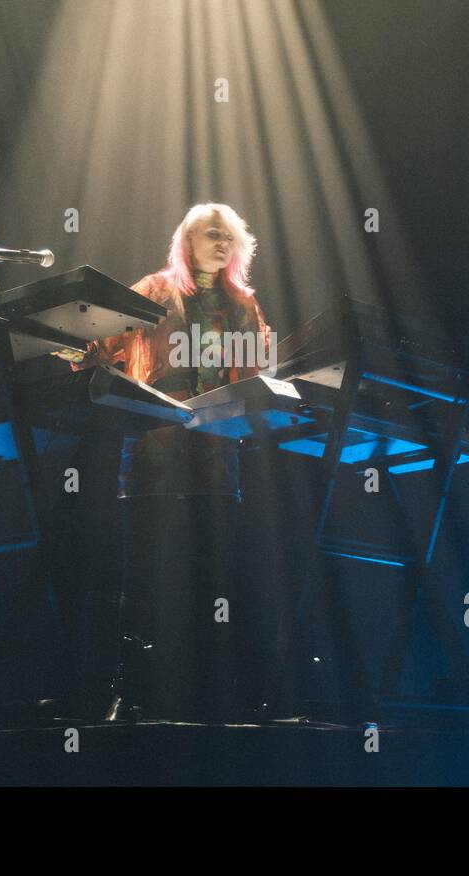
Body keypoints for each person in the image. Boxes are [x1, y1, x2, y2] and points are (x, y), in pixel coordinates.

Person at [72, 203, 275, 720]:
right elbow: (102, 344)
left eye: (230, 237)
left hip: (214, 456)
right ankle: (133, 688)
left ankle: (209, 687)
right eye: (213, 234)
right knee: (146, 571)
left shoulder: (243, 305)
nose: (223, 243)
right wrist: (70, 349)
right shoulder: (156, 290)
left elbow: (253, 376)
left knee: (212, 575)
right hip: (154, 448)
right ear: (187, 241)